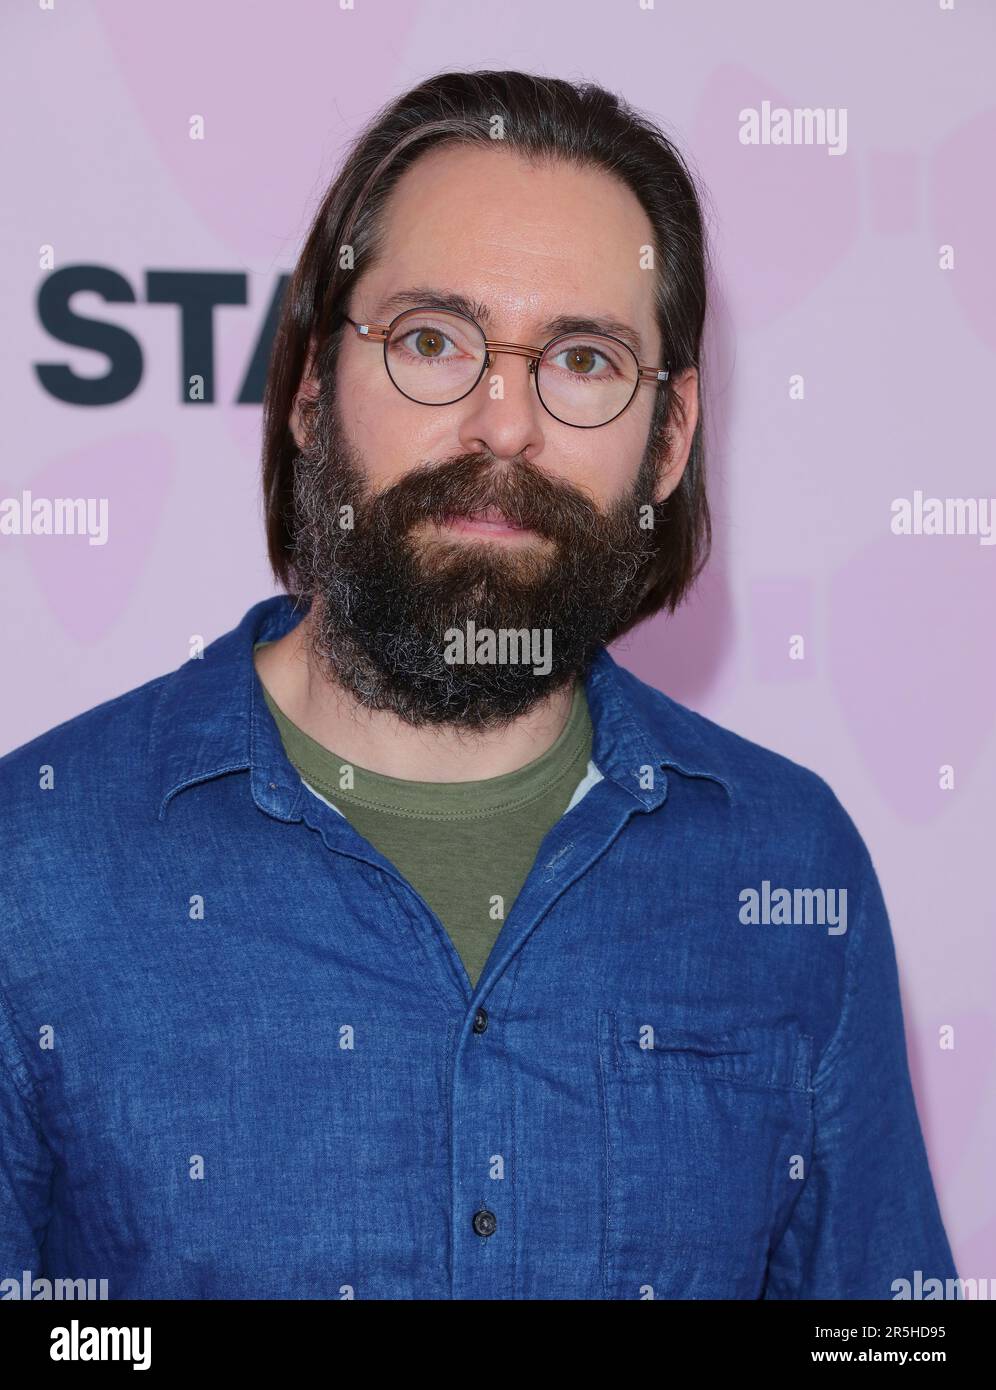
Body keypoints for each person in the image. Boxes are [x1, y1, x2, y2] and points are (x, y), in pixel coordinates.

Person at [0, 70, 958, 1300]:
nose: (503, 423)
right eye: (434, 341)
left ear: (668, 440)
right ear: (306, 389)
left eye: (584, 358)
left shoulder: (788, 866)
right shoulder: (37, 863)